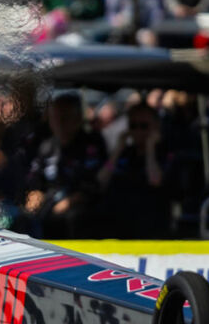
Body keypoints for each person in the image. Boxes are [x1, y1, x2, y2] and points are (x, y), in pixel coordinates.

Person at [21, 93, 108, 238]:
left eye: (65, 118)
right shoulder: (47, 147)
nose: (59, 123)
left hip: (81, 206)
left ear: (78, 120)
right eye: (55, 118)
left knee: (74, 217)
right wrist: (34, 193)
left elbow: (96, 183)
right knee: (23, 218)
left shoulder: (92, 145)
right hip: (50, 203)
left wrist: (70, 201)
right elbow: (34, 178)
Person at [97, 103, 173, 238]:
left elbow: (155, 180)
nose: (137, 131)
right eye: (133, 126)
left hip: (150, 226)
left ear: (156, 126)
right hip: (117, 225)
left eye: (143, 126)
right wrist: (118, 149)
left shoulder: (164, 153)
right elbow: (101, 180)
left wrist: (150, 147)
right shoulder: (124, 153)